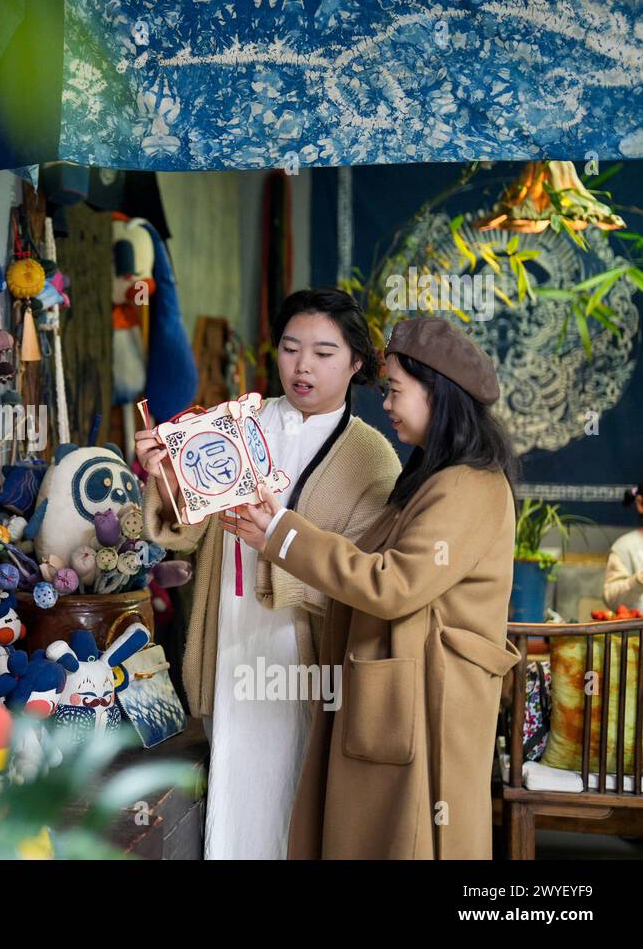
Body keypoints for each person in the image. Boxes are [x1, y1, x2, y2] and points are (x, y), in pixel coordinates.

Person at [227, 315, 521, 859]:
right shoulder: (436, 479)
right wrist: (278, 528)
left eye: (395, 391)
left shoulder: (468, 486)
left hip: (426, 702)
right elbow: (370, 564)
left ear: (439, 395)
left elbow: (391, 584)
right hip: (397, 693)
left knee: (405, 839)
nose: (385, 403)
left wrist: (281, 534)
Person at [136, 288, 400, 860]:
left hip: (303, 648)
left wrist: (277, 545)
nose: (303, 366)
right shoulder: (237, 423)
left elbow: (366, 577)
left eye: (325, 353)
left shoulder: (371, 456)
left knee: (297, 789)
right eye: (290, 347)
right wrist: (164, 477)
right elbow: (187, 527)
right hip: (233, 631)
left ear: (357, 364)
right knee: (234, 783)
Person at [604, 480, 643, 611]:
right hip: (636, 630)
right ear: (640, 504)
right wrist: (638, 580)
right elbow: (611, 599)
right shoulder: (624, 547)